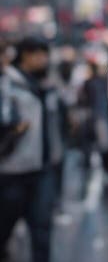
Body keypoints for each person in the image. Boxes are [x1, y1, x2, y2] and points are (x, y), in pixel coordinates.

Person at [0, 36, 65, 262]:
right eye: (38, 53)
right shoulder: (7, 83)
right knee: (5, 226)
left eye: (45, 53)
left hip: (43, 167)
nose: (43, 59)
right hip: (12, 169)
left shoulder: (47, 84)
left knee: (42, 229)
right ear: (25, 55)